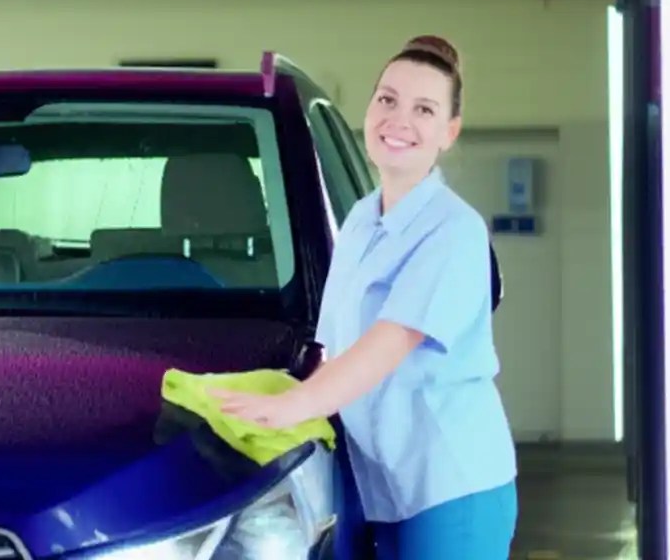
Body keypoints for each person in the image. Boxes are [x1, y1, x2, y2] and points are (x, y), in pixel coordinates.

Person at [210, 36, 517, 559]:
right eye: (388, 100)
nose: (398, 119)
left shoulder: (454, 230)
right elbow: (332, 352)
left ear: (449, 131)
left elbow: (390, 341)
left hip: (451, 489)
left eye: (424, 109)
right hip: (385, 490)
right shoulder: (358, 222)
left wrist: (294, 407)